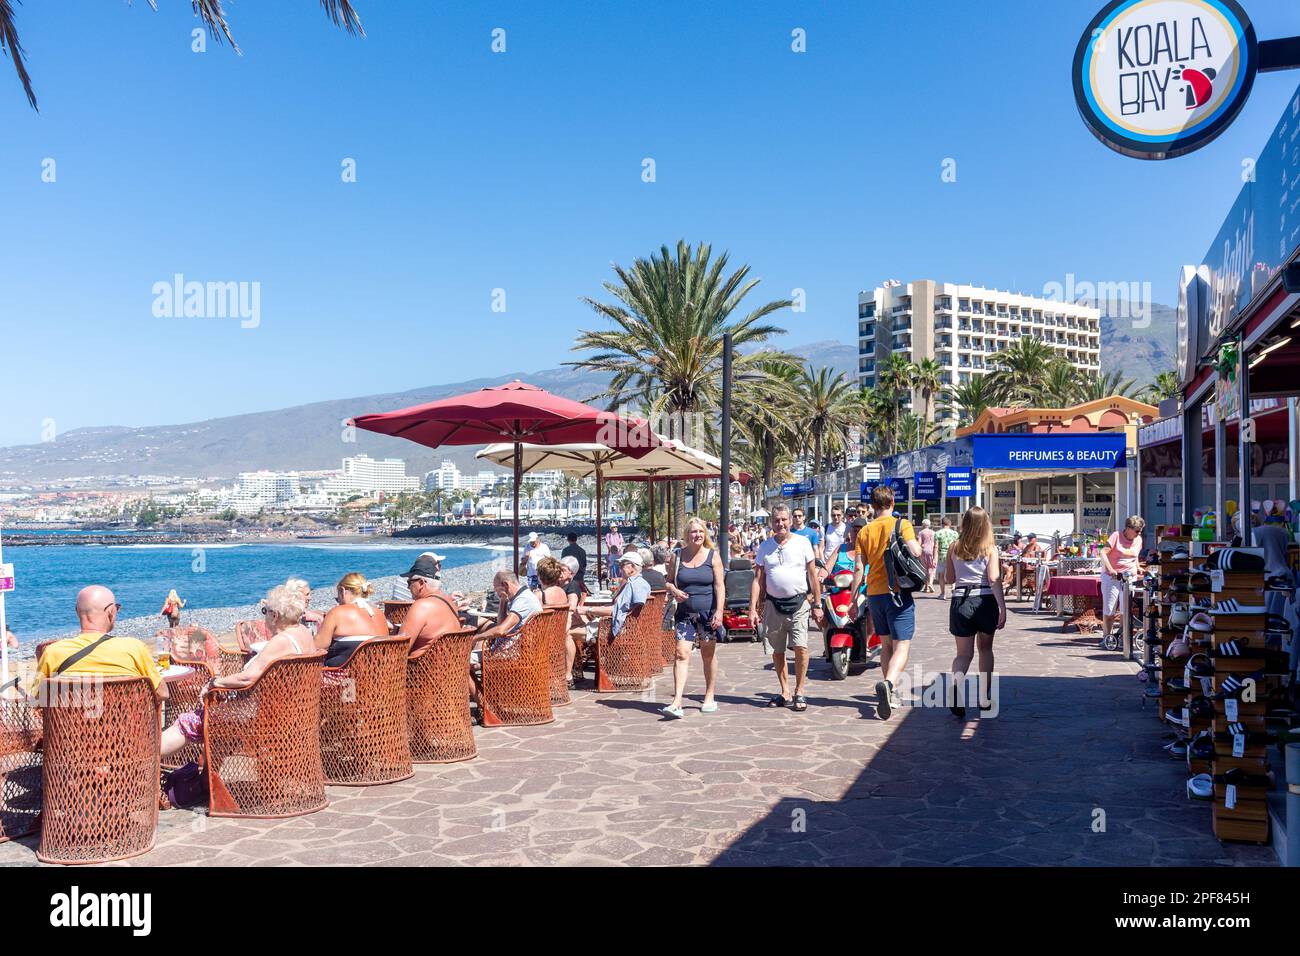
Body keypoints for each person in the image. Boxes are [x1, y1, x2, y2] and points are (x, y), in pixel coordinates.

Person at [161, 584, 313, 758]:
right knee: (215, 719)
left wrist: (213, 683)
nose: (264, 617)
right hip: (290, 712)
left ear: (275, 615)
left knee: (187, 722)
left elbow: (247, 678)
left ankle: (144, 767)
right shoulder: (304, 633)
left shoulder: (281, 641)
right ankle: (205, 778)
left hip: (260, 716)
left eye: (265, 611)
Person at [848, 484, 923, 720]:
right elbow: (916, 552)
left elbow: (859, 567)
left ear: (872, 506)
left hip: (875, 594)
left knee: (886, 645)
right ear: (892, 503)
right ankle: (889, 684)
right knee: (902, 645)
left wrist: (852, 600)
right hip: (898, 593)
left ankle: (889, 691)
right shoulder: (902, 524)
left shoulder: (864, 532)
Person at [35, 585, 167, 703]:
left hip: (69, 730)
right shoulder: (134, 648)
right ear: (111, 612)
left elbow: (37, 700)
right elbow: (162, 694)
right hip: (125, 729)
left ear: (77, 611)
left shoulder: (53, 652)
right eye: (117, 608)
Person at [750, 502, 823, 712]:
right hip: (773, 605)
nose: (780, 524)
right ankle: (785, 691)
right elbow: (758, 580)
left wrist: (817, 604)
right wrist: (753, 608)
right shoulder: (765, 547)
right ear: (771, 523)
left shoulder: (802, 543)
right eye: (776, 520)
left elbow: (812, 575)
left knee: (801, 648)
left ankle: (800, 691)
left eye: (784, 520)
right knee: (777, 651)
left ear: (790, 521)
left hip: (799, 603)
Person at [940, 507, 1006, 718]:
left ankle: (956, 690)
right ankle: (984, 698)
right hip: (984, 599)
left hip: (961, 600)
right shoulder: (990, 549)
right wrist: (1002, 607)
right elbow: (994, 578)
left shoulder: (954, 547)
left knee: (963, 654)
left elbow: (950, 579)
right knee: (985, 650)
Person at [662, 517, 726, 718]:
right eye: (693, 532)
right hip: (684, 615)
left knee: (708, 655)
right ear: (687, 535)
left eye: (700, 532)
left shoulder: (713, 556)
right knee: (682, 653)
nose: (697, 535)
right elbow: (669, 582)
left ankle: (709, 695)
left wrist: (719, 612)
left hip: (707, 614)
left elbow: (719, 586)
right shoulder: (677, 556)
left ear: (704, 534)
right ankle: (677, 701)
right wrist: (673, 590)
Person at [470, 571, 544, 713]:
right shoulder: (523, 597)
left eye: (496, 589)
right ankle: (487, 703)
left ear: (505, 585)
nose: (496, 593)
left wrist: (475, 638)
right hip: (516, 650)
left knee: (459, 661)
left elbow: (501, 630)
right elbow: (501, 623)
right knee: (466, 659)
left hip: (511, 653)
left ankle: (485, 706)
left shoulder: (523, 600)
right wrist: (503, 602)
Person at [315, 572, 391, 666]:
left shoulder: (337, 613)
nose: (339, 602)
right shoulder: (379, 614)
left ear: (342, 591)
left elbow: (318, 646)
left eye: (337, 598)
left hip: (343, 676)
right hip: (377, 675)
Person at [395, 554, 464, 655]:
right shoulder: (449, 602)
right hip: (451, 666)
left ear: (421, 583)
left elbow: (400, 649)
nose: (408, 587)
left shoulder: (421, 606)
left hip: (422, 668)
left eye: (409, 582)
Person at [1099, 516, 1144, 642]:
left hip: (1130, 577)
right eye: (1137, 530)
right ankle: (1107, 637)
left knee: (1126, 609)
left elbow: (1135, 556)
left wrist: (1138, 567)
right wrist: (1110, 569)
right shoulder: (1116, 536)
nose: (1139, 533)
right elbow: (1103, 552)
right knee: (1109, 609)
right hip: (1112, 577)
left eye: (1140, 530)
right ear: (1128, 528)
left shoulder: (1138, 539)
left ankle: (1122, 637)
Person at [586, 551, 650, 638]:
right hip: (632, 628)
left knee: (570, 630)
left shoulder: (632, 585)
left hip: (620, 630)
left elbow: (616, 611)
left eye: (622, 565)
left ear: (632, 567)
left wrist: (589, 610)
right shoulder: (642, 583)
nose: (619, 569)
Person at [934, 516, 959, 601]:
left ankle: (943, 593)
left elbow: (936, 547)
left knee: (941, 575)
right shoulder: (955, 534)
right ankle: (954, 588)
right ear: (950, 524)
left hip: (942, 556)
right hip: (952, 555)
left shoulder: (937, 533)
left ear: (942, 524)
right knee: (954, 572)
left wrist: (934, 558)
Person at [821, 505, 848, 570]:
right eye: (833, 515)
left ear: (842, 515)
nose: (836, 517)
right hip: (827, 562)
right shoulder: (825, 528)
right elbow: (821, 548)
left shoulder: (846, 528)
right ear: (831, 516)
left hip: (841, 563)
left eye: (838, 515)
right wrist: (823, 562)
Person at [919, 518, 937, 593]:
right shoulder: (933, 532)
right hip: (931, 551)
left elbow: (919, 543)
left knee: (925, 569)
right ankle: (930, 584)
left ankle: (927, 587)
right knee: (932, 568)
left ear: (923, 524)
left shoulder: (921, 532)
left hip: (924, 551)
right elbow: (936, 543)